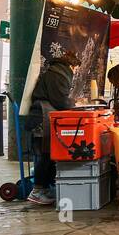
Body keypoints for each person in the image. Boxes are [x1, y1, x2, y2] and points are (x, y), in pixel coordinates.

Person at [25, 50, 78, 206]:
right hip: (42, 119)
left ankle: (44, 188)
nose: (75, 72)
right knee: (45, 155)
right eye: (75, 69)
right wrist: (74, 104)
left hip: (44, 117)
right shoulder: (58, 75)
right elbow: (60, 100)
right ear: (71, 65)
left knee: (48, 154)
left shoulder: (55, 72)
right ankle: (37, 190)